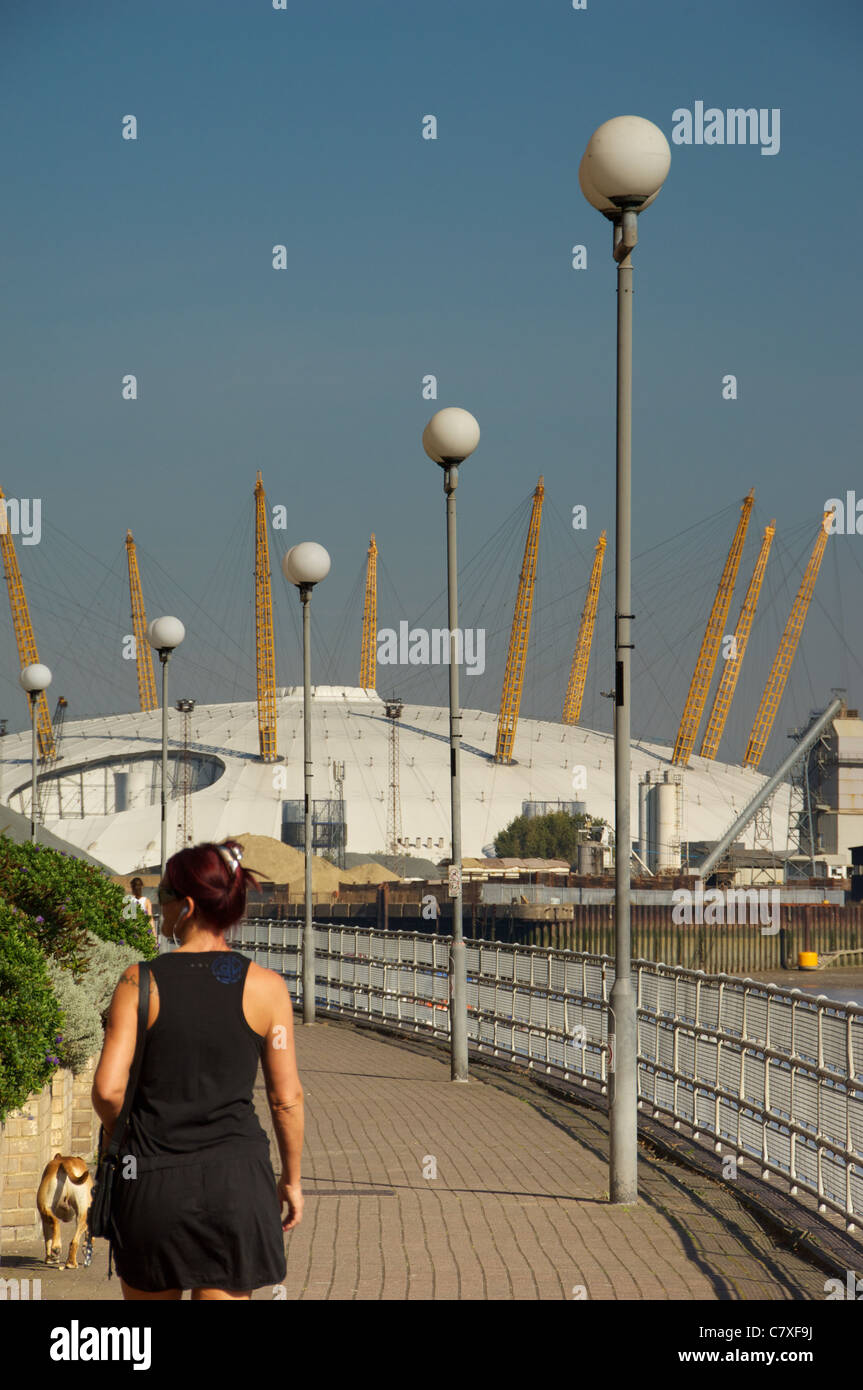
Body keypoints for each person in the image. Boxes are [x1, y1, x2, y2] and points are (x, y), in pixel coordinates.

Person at [92, 839, 304, 1301]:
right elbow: (285, 1100)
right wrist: (290, 1179)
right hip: (236, 1185)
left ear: (186, 906)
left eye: (164, 894)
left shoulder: (136, 981)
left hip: (151, 1184)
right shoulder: (267, 988)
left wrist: (130, 1136)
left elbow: (108, 1091)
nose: (160, 906)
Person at [127, 877, 156, 946]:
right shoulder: (146, 901)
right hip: (144, 931)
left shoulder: (129, 900)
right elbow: (150, 919)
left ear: (132, 888)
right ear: (142, 887)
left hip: (132, 931)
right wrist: (154, 935)